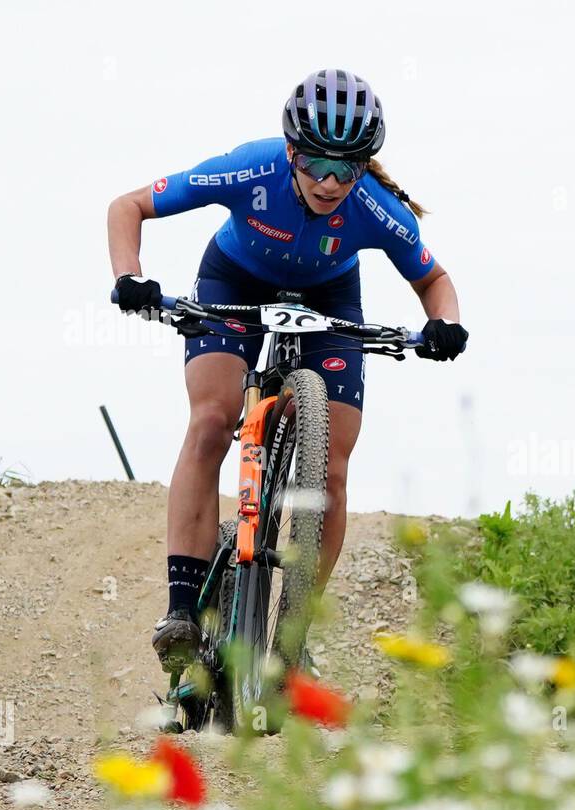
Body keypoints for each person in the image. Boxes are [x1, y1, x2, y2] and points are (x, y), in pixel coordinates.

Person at [106, 68, 467, 676]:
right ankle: (181, 613)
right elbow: (128, 207)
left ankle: (293, 640)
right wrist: (129, 277)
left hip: (328, 301)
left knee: (331, 464)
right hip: (235, 279)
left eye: (348, 168)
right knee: (213, 421)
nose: (331, 182)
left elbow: (433, 279)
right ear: (292, 152)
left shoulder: (375, 209)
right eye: (318, 165)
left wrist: (446, 324)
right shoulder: (252, 168)